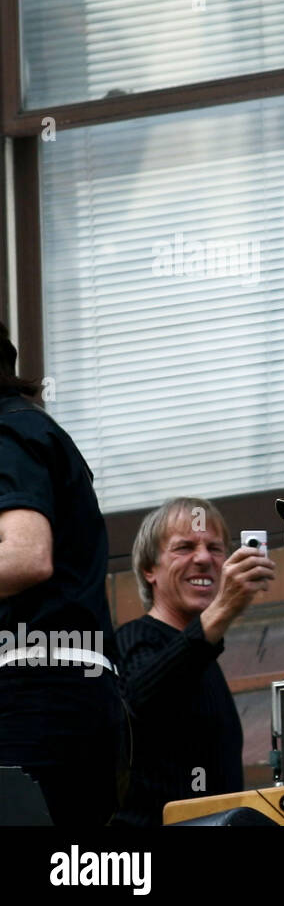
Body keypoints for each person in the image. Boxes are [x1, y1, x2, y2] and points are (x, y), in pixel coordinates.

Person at [0, 320, 126, 824]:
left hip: (40, 694)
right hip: (70, 692)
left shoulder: (8, 434)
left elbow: (26, 556)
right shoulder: (29, 429)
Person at [114, 497, 275, 825]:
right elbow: (139, 701)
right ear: (150, 569)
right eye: (184, 547)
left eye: (215, 549)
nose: (203, 558)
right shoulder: (134, 639)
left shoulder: (203, 657)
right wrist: (223, 610)